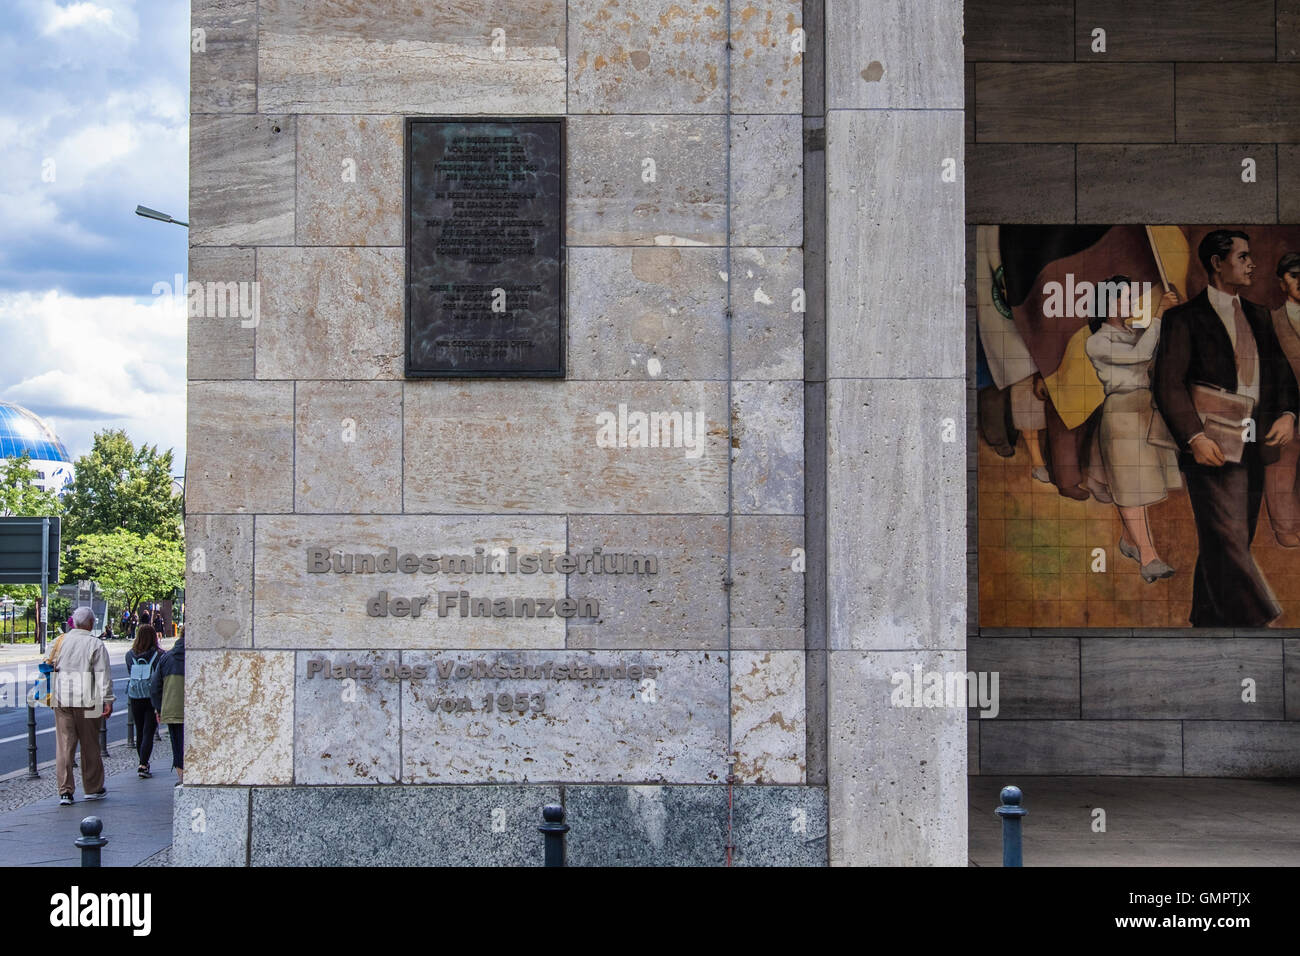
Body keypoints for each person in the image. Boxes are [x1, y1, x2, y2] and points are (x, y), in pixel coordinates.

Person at [1153, 230, 1300, 626]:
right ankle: (1260, 620)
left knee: (1231, 536)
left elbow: (1282, 376)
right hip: (1209, 443)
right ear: (1217, 264)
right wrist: (1194, 438)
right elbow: (1167, 385)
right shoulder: (1183, 319)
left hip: (1255, 441)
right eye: (1243, 257)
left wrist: (1288, 414)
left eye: (1251, 257)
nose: (1252, 264)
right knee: (1227, 536)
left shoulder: (1259, 315)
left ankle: (1206, 617)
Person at [1085, 277, 1182, 581]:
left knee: (1141, 483)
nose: (1131, 303)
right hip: (1121, 416)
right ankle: (1148, 558)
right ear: (1107, 304)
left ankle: (1129, 541)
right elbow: (1139, 356)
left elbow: (1158, 351)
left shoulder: (1136, 332)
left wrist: (1171, 314)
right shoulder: (1097, 341)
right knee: (1129, 488)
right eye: (1124, 298)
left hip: (1146, 410)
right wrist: (1159, 314)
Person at [45, 606, 114, 805]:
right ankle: (92, 788)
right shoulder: (95, 644)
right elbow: (102, 675)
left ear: (74, 623)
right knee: (90, 744)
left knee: (64, 746)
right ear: (91, 623)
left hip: (62, 699)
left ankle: (65, 791)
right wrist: (107, 700)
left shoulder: (59, 641)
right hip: (88, 700)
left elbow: (47, 664)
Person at [1265, 252, 1300, 547]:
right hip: (1284, 406)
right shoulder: (1271, 321)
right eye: (1294, 276)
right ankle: (1285, 528)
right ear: (1282, 283)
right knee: (1282, 467)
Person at [125, 624, 162, 778]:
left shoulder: (129, 655)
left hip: (135, 696)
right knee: (149, 731)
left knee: (139, 730)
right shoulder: (159, 655)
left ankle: (142, 762)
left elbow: (130, 671)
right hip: (152, 696)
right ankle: (143, 764)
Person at [150, 633, 184, 786]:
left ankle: (182, 777)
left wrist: (159, 708)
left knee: (177, 744)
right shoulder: (200, 655)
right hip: (196, 711)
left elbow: (155, 687)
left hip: (172, 708)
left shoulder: (166, 658)